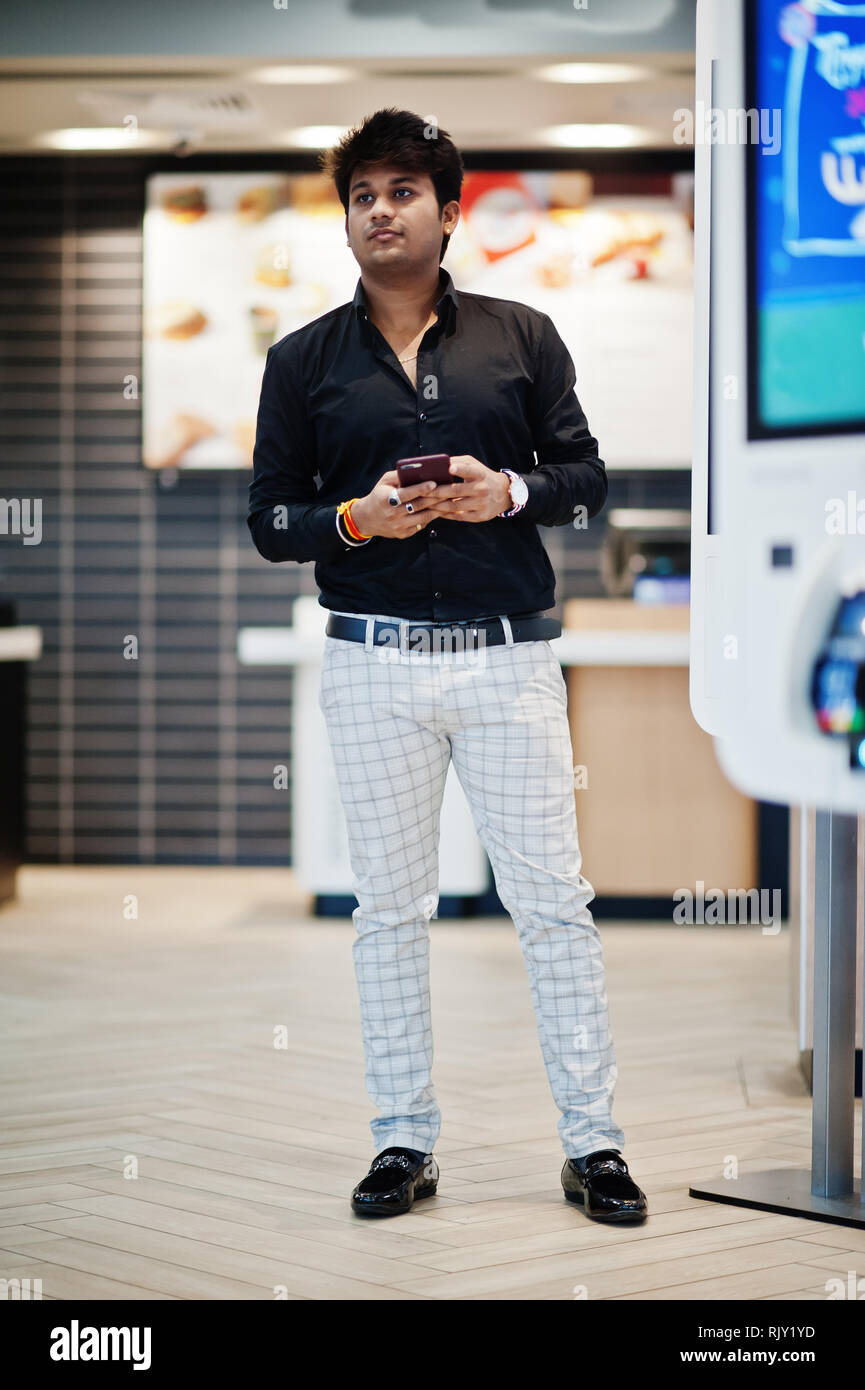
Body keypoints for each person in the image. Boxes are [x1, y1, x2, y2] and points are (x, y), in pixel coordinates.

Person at [247, 107, 647, 1225]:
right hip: (372, 665)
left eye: (403, 192)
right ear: (348, 219)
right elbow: (272, 520)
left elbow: (584, 475)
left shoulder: (521, 335)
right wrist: (359, 519)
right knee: (387, 911)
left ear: (449, 212)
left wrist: (506, 490)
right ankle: (402, 1140)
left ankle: (594, 1143)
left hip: (510, 661)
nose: (381, 210)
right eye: (363, 195)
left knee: (553, 905)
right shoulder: (303, 360)